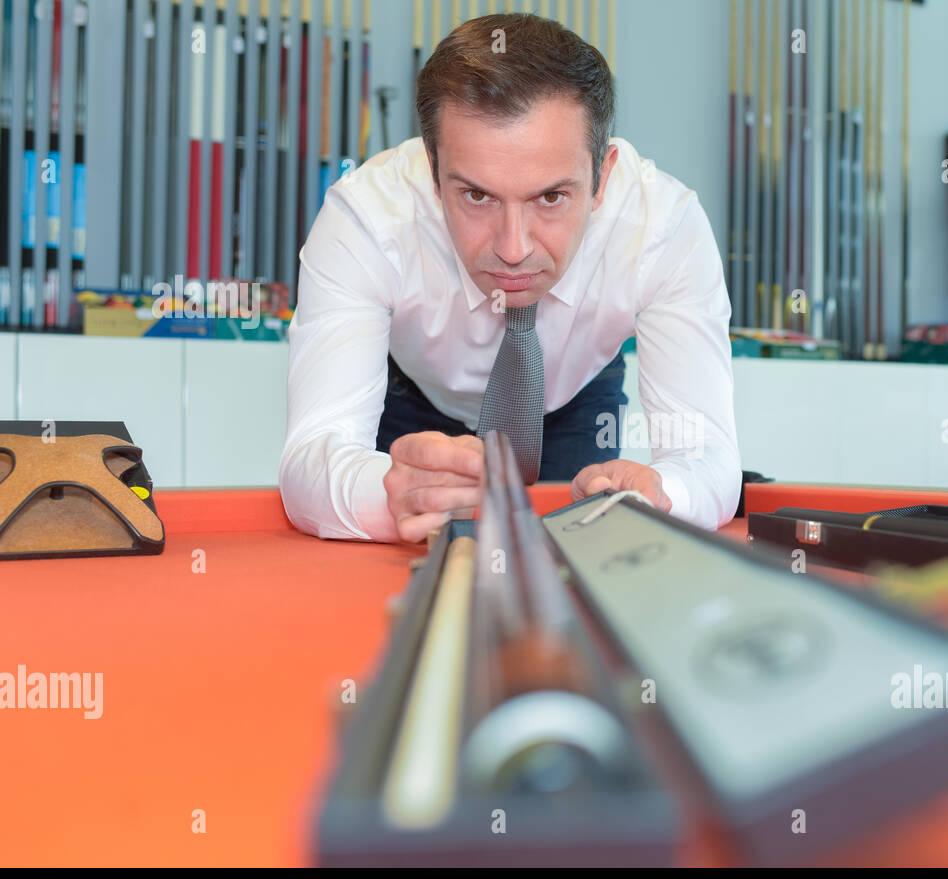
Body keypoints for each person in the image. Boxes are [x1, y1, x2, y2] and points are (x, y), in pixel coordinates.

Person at [279, 12, 740, 543]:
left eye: (550, 197)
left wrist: (659, 493)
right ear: (431, 171)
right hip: (413, 402)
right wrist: (382, 491)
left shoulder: (664, 228)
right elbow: (309, 461)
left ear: (602, 177)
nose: (513, 250)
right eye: (477, 195)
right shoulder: (365, 218)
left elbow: (707, 458)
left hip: (572, 399)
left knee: (573, 562)